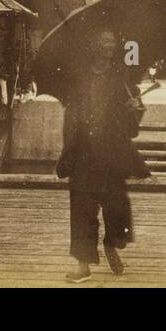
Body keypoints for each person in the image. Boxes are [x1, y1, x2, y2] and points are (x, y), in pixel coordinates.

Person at [57, 29, 148, 283]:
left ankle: (112, 244)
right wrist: (70, 148)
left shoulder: (122, 78)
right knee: (82, 208)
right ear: (94, 46)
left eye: (111, 42)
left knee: (116, 205)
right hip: (84, 151)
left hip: (112, 151)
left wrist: (135, 109)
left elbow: (133, 118)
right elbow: (71, 114)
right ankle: (82, 264)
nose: (108, 46)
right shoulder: (80, 78)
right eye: (103, 41)